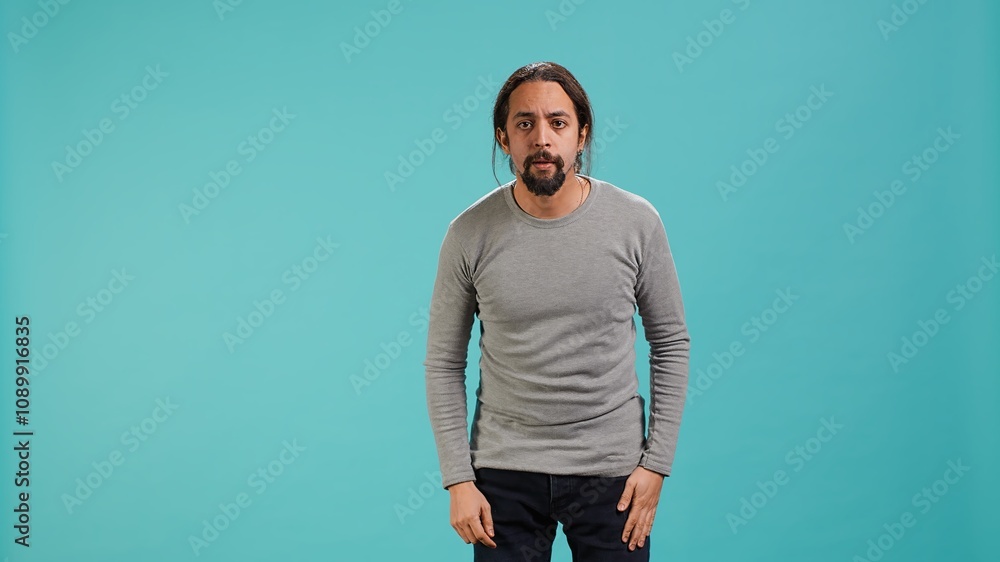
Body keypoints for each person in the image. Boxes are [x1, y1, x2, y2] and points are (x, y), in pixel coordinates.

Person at [424, 61, 690, 561]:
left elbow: (671, 342)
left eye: (558, 122)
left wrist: (656, 464)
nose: (541, 138)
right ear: (503, 137)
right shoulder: (468, 234)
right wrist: (458, 479)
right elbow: (442, 362)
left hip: (612, 474)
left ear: (581, 134)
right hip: (503, 477)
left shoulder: (636, 223)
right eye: (524, 123)